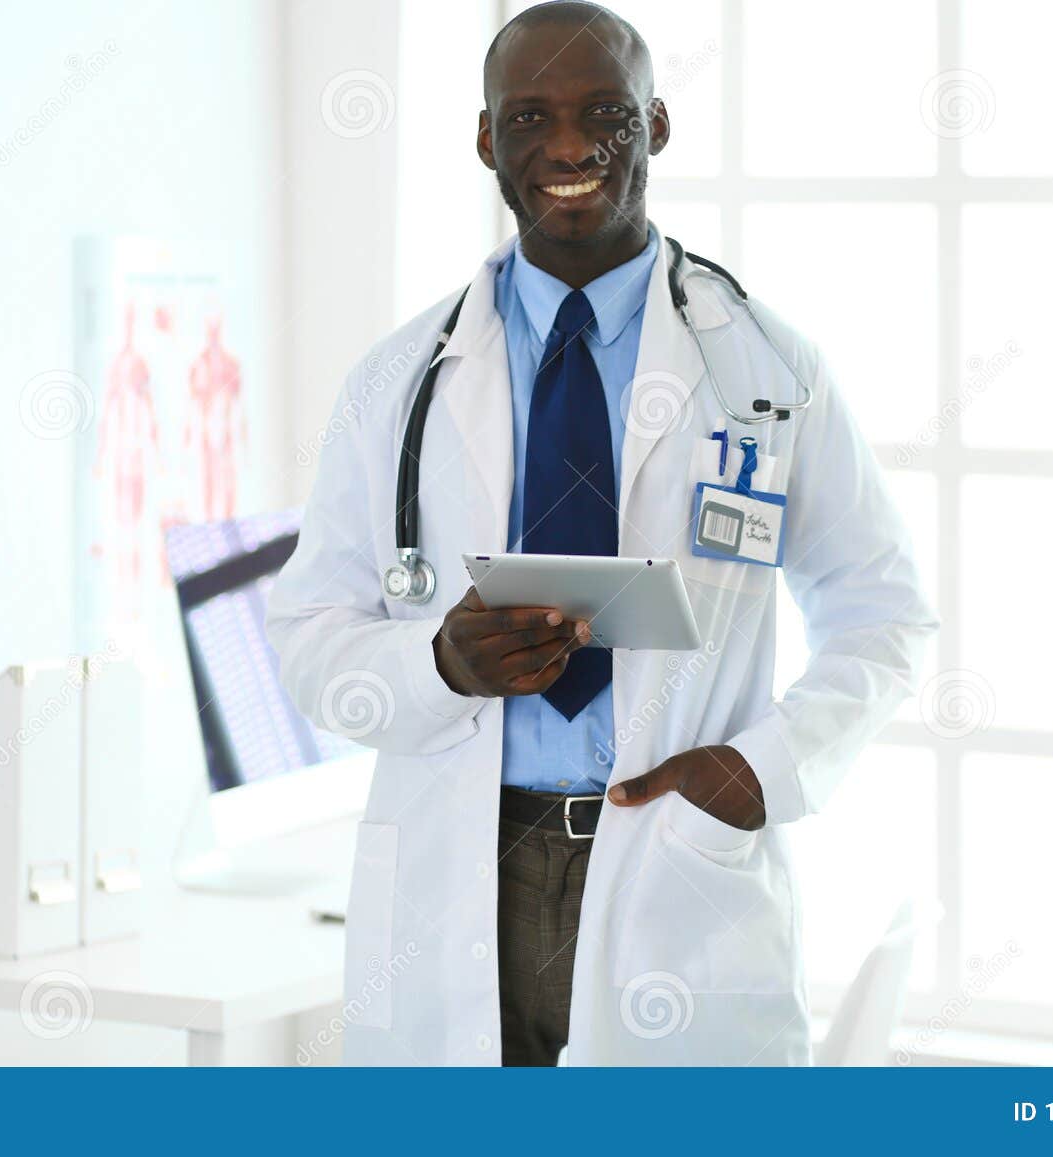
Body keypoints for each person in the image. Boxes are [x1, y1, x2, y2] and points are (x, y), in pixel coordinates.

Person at [267, 0, 937, 1066]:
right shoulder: (397, 381)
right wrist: (435, 660)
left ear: (657, 126)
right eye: (530, 117)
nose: (570, 146)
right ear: (487, 138)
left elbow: (884, 610)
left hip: (676, 857)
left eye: (606, 116)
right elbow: (307, 632)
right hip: (466, 863)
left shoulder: (765, 368)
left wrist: (765, 766)